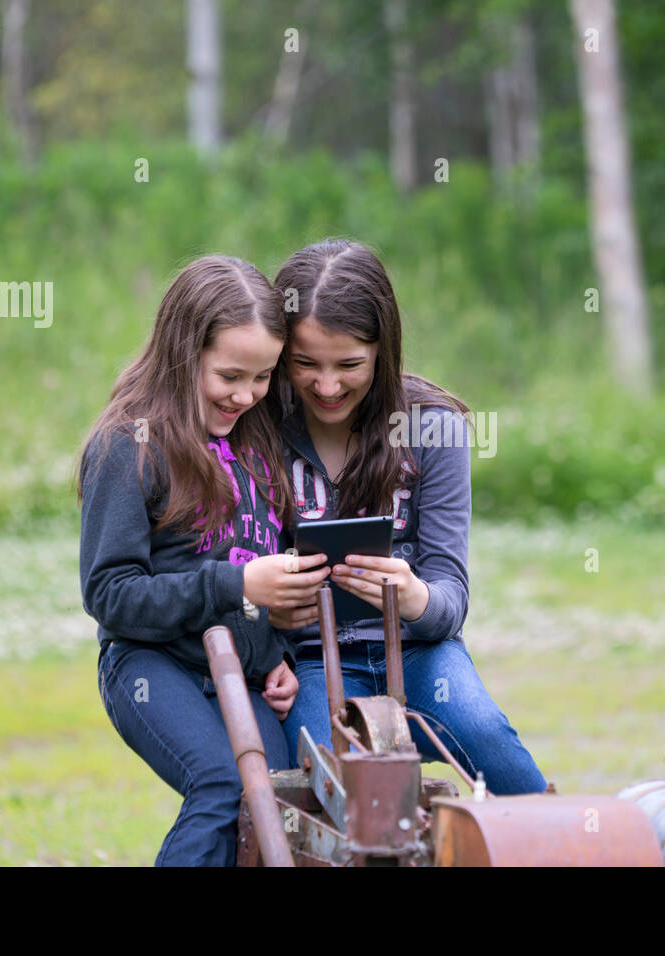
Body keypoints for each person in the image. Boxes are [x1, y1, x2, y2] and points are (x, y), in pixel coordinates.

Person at [264, 239, 547, 795]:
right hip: (314, 661)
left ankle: (562, 847)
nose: (326, 386)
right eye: (305, 364)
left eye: (349, 365)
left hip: (420, 652)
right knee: (337, 788)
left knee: (487, 735)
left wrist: (415, 596)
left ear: (383, 348)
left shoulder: (433, 429)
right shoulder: (259, 426)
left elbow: (449, 597)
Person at [76, 255, 331, 866]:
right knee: (222, 786)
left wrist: (277, 656)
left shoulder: (255, 442)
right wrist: (236, 583)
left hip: (240, 675)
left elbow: (261, 564)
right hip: (152, 662)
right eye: (229, 376)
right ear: (183, 353)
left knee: (275, 801)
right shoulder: (128, 445)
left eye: (263, 377)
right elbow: (110, 593)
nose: (246, 395)